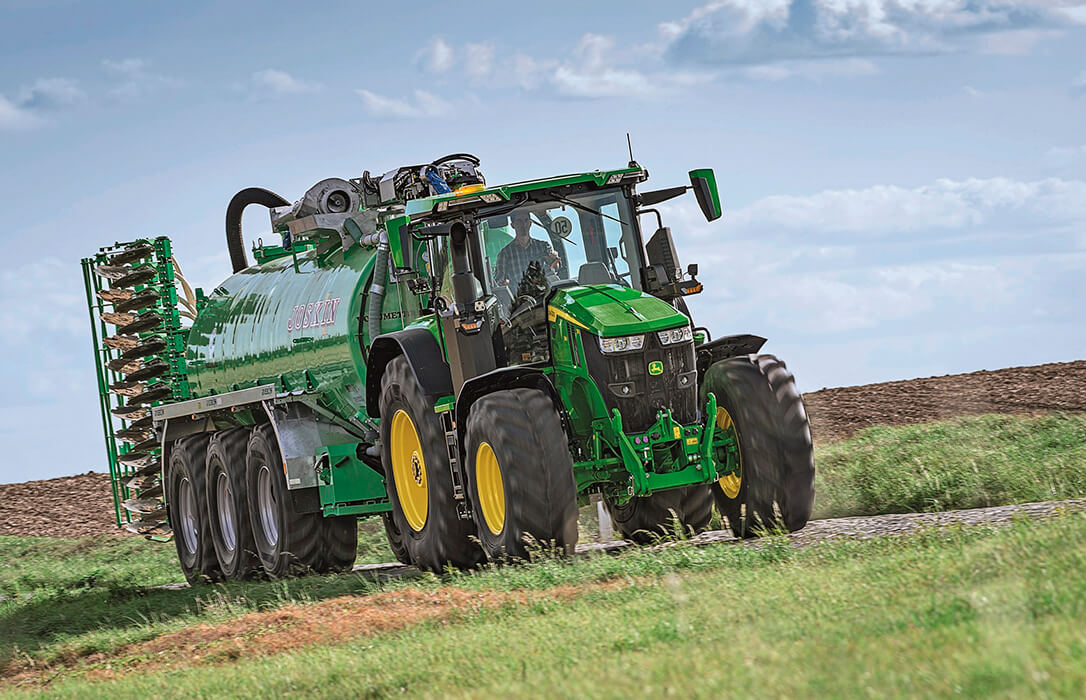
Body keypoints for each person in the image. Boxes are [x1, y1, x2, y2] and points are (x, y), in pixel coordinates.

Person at [494, 211, 560, 288]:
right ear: (513, 225)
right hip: (520, 296)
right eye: (519, 221)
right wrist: (504, 283)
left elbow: (554, 269)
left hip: (544, 293)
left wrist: (554, 260)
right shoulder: (505, 254)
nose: (524, 225)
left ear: (530, 223)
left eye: (526, 220)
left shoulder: (543, 246)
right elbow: (499, 281)